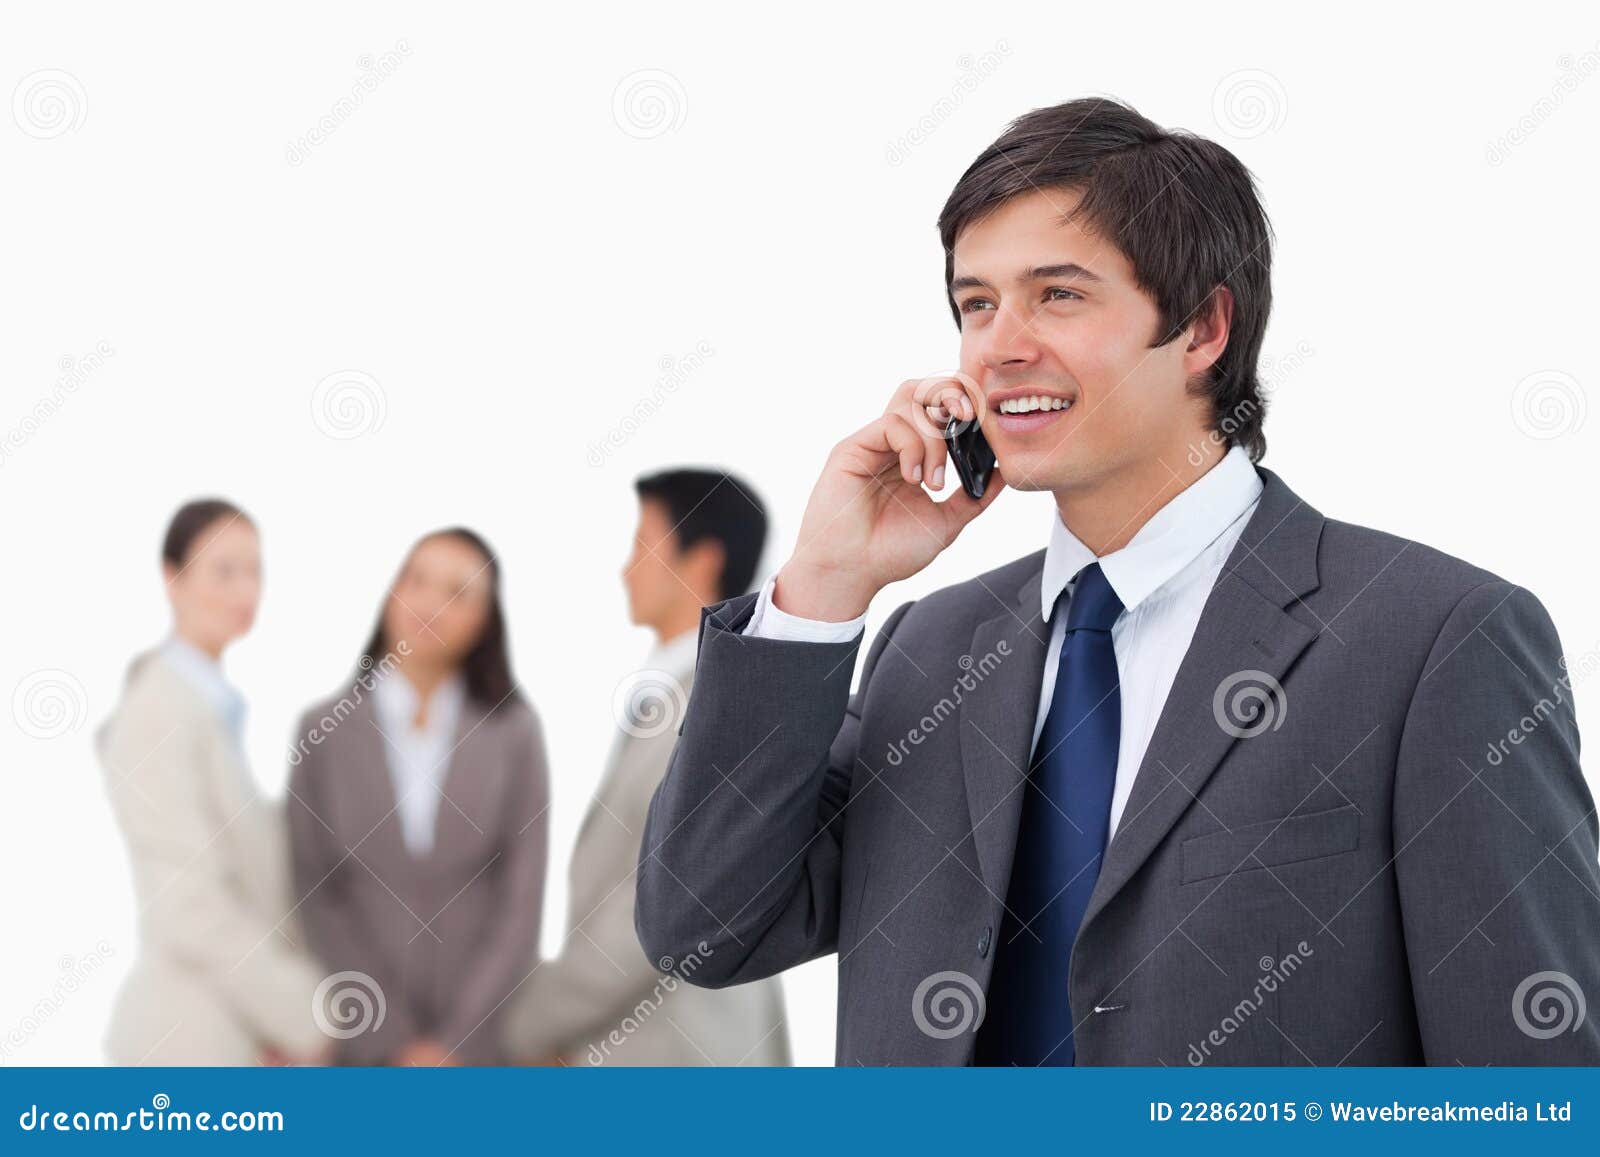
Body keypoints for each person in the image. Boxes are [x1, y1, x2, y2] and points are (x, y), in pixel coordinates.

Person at [635, 98, 1600, 1065]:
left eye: (1059, 295)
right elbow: (706, 931)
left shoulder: (1435, 639)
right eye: (977, 303)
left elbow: (1534, 1085)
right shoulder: (927, 650)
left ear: (1203, 329)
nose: (1000, 344)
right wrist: (824, 585)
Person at [505, 469, 789, 1066]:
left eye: (642, 546)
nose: (625, 569)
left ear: (701, 560)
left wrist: (528, 1026)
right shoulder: (679, 694)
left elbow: (655, 902)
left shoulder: (716, 708)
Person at [288, 528, 549, 1065]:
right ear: (392, 591)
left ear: (486, 621)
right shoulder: (323, 731)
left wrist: (453, 1044)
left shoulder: (514, 733)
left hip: (482, 1044)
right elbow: (315, 893)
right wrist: (395, 1041)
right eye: (418, 579)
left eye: (458, 593)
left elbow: (521, 900)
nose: (431, 603)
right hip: (361, 1040)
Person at [98, 498, 329, 1066]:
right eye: (224, 571)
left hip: (230, 1034)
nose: (245, 591)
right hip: (186, 1042)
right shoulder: (158, 709)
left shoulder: (212, 710)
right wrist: (307, 1017)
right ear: (171, 578)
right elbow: (187, 906)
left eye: (255, 571)